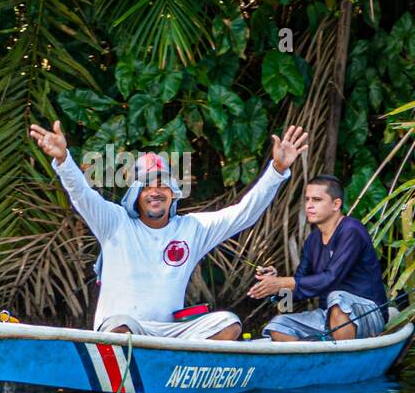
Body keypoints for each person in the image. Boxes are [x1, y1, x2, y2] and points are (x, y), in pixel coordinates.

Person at [28, 119, 309, 339]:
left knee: (228, 324)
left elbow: (243, 214)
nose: (155, 192)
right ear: (136, 194)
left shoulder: (192, 228)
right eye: (147, 186)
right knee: (120, 328)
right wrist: (64, 161)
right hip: (122, 331)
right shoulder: (115, 222)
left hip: (170, 335)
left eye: (162, 186)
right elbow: (82, 195)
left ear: (173, 194)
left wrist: (277, 169)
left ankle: (185, 380)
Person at [249, 174, 390, 341]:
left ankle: (342, 357)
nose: (309, 206)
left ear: (336, 204)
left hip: (368, 314)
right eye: (307, 199)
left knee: (337, 299)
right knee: (278, 325)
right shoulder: (313, 240)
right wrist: (274, 287)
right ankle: (316, 360)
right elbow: (299, 287)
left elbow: (331, 278)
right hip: (328, 315)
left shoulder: (351, 230)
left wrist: (283, 282)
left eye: (316, 200)